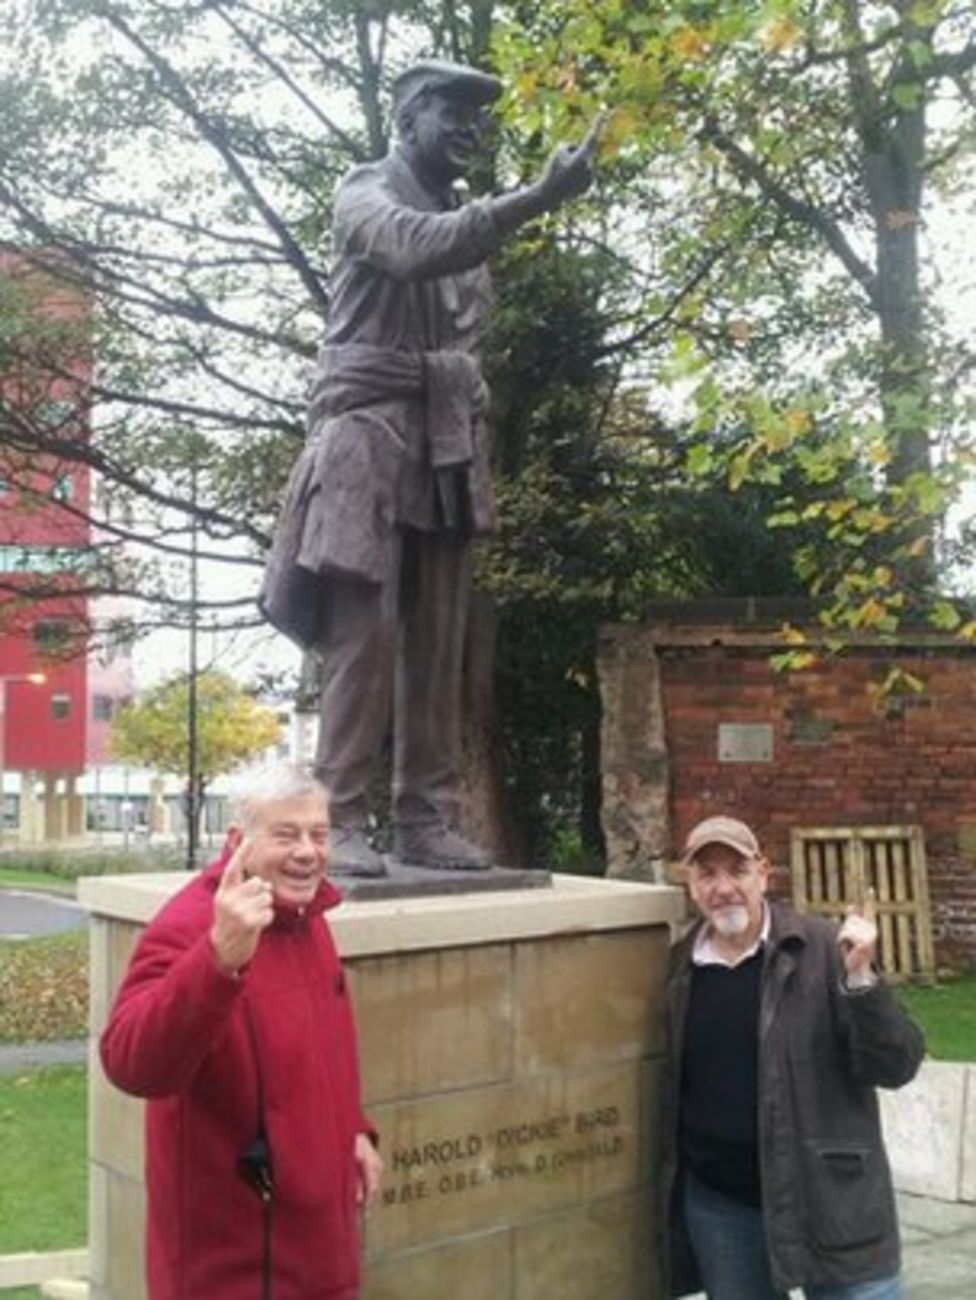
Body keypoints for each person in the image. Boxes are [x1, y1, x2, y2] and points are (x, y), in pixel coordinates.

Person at [260, 60, 602, 876]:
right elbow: (415, 250)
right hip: (367, 431)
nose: (469, 132)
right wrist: (537, 197)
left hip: (444, 435)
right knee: (364, 634)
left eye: (478, 121)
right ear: (409, 117)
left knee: (440, 639)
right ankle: (340, 815)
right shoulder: (364, 192)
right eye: (454, 114)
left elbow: (463, 325)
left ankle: (425, 818)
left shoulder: (461, 224)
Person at [100, 766, 382, 1300]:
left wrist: (352, 1128)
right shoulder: (192, 924)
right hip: (236, 1265)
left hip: (320, 1248)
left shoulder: (306, 917)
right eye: (286, 835)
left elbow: (325, 1054)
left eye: (319, 835)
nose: (307, 852)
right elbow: (130, 1064)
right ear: (238, 841)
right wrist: (216, 960)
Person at [662, 815, 925, 1300]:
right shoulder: (678, 969)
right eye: (707, 873)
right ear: (690, 884)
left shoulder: (823, 948)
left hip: (831, 1198)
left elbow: (895, 1065)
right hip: (725, 1206)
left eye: (737, 870)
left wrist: (861, 979)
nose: (723, 888)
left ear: (763, 874)